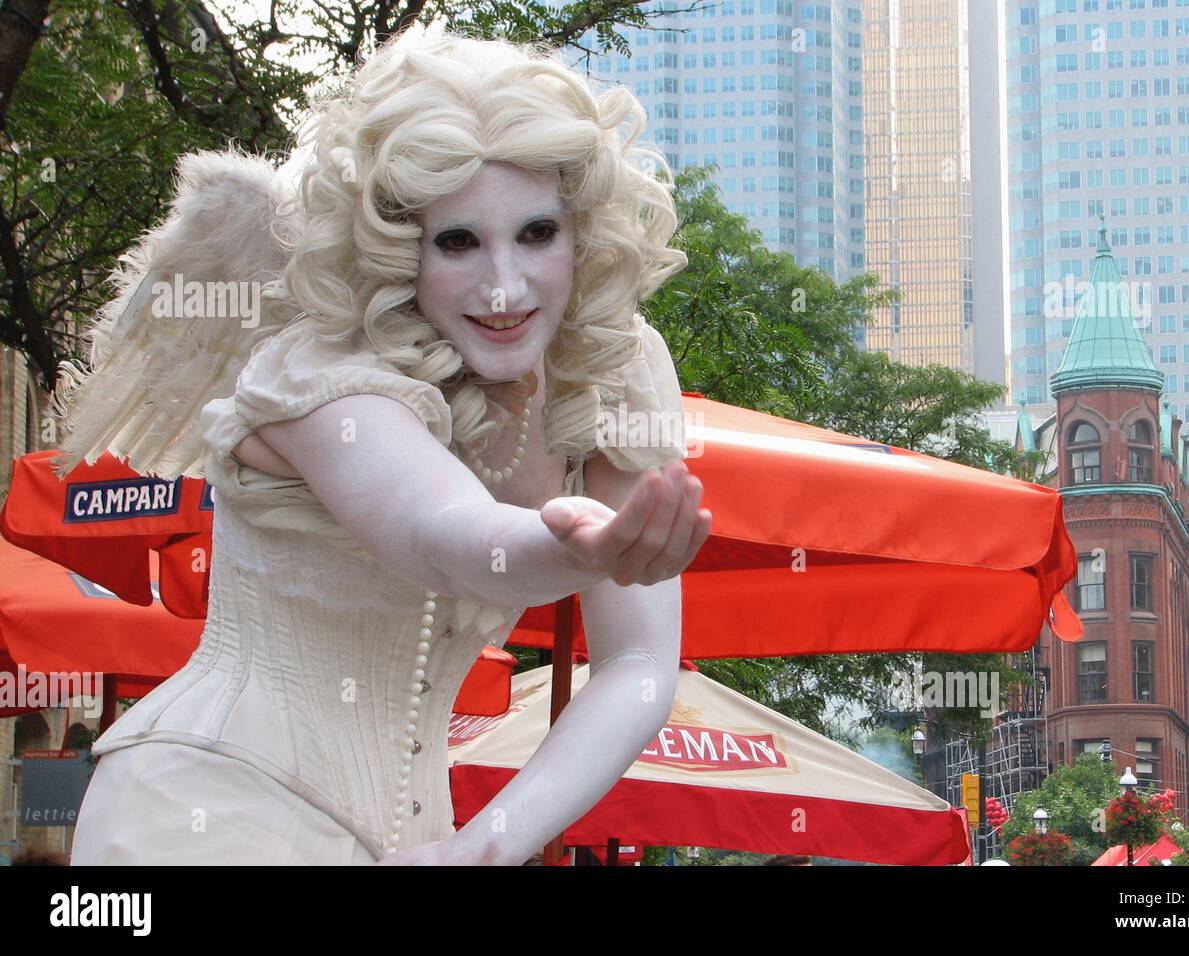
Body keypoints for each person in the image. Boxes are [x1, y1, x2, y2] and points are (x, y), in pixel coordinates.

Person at [57, 23, 709, 865]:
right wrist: (588, 550)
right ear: (402, 248)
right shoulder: (312, 366)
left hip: (418, 844)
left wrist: (488, 843)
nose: (504, 287)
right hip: (209, 807)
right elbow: (444, 537)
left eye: (538, 233)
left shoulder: (613, 370)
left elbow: (643, 662)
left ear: (582, 233)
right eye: (459, 241)